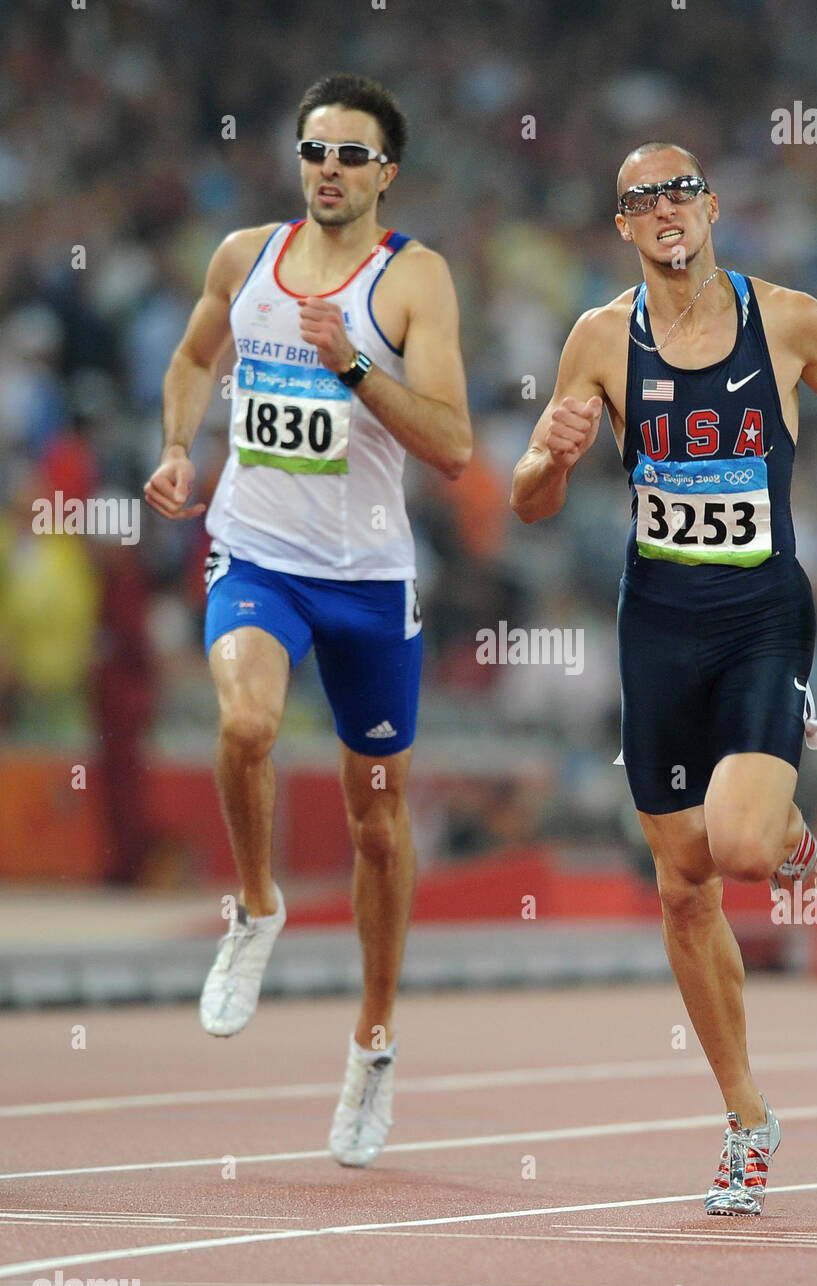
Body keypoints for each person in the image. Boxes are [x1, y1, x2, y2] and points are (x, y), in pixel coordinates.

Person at [510, 142, 817, 1214]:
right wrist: (546, 459)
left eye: (680, 190)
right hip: (657, 624)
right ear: (623, 226)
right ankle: (745, 1116)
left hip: (762, 616)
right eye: (641, 198)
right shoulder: (597, 341)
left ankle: (780, 822)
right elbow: (528, 501)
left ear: (711, 206)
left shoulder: (788, 321)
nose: (665, 210)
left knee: (734, 845)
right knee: (682, 883)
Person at [144, 73, 471, 1168]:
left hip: (370, 582)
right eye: (313, 151)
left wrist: (352, 365)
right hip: (258, 553)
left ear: (386, 171)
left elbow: (454, 443)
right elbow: (195, 356)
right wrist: (180, 445)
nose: (327, 169)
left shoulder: (414, 281)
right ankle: (255, 904)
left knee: (377, 822)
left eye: (349, 154)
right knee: (244, 725)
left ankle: (373, 1045)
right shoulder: (244, 257)